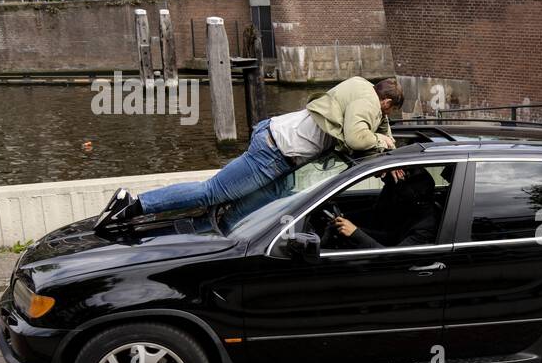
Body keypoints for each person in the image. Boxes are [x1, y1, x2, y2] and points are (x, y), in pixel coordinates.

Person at [96, 76, 403, 229]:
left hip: (280, 151)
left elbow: (383, 131)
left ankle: (201, 233)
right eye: (387, 111)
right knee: (212, 192)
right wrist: (381, 144)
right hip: (274, 150)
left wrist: (391, 156)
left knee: (246, 209)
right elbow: (357, 137)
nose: (385, 117)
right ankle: (136, 204)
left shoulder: (364, 91)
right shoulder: (367, 103)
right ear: (386, 103)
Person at [323, 166, 441, 250]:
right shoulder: (412, 211)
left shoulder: (425, 229)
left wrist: (355, 233)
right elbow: (391, 237)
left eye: (400, 192)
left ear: (415, 199)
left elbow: (392, 258)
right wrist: (348, 223)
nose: (396, 194)